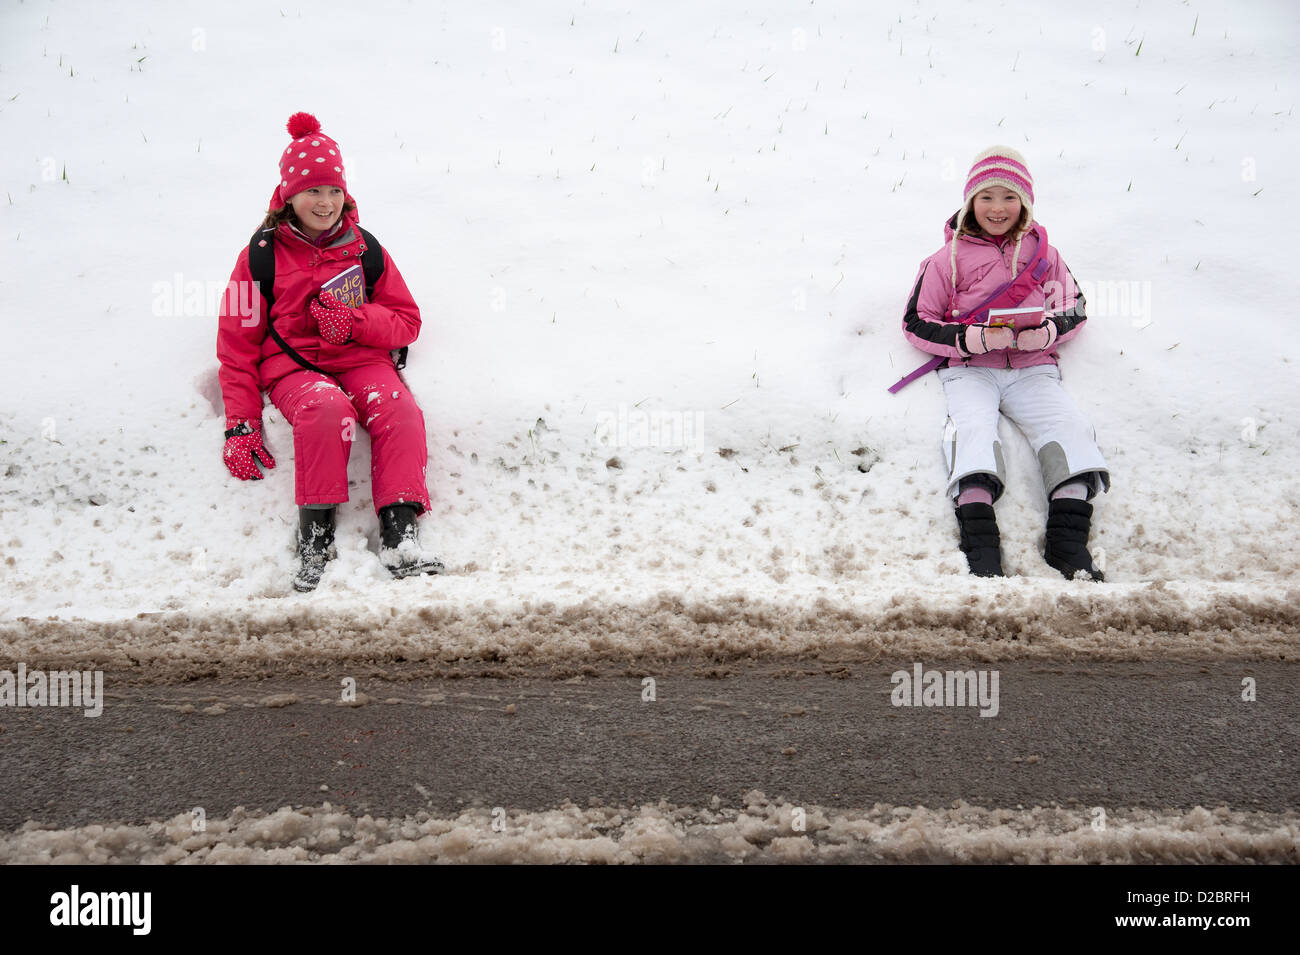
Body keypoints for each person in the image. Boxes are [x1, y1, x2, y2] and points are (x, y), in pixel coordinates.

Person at [217, 111, 442, 592]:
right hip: (294, 369)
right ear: (289, 195)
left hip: (361, 358)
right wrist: (241, 423)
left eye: (334, 190)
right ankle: (315, 537)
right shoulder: (257, 255)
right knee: (325, 409)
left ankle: (401, 534)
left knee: (399, 410)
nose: (325, 202)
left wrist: (355, 320)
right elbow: (236, 347)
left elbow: (407, 321)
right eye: (313, 191)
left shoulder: (366, 249)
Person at [899, 146, 1109, 580]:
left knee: (1069, 431)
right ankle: (982, 550)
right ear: (970, 201)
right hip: (969, 370)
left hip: (1033, 370)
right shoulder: (946, 259)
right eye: (987, 197)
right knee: (973, 433)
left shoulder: (1044, 254)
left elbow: (1075, 307)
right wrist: (969, 339)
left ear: (1025, 203)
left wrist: (1048, 331)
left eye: (1009, 197)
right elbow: (916, 322)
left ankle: (1067, 546)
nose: (998, 208)